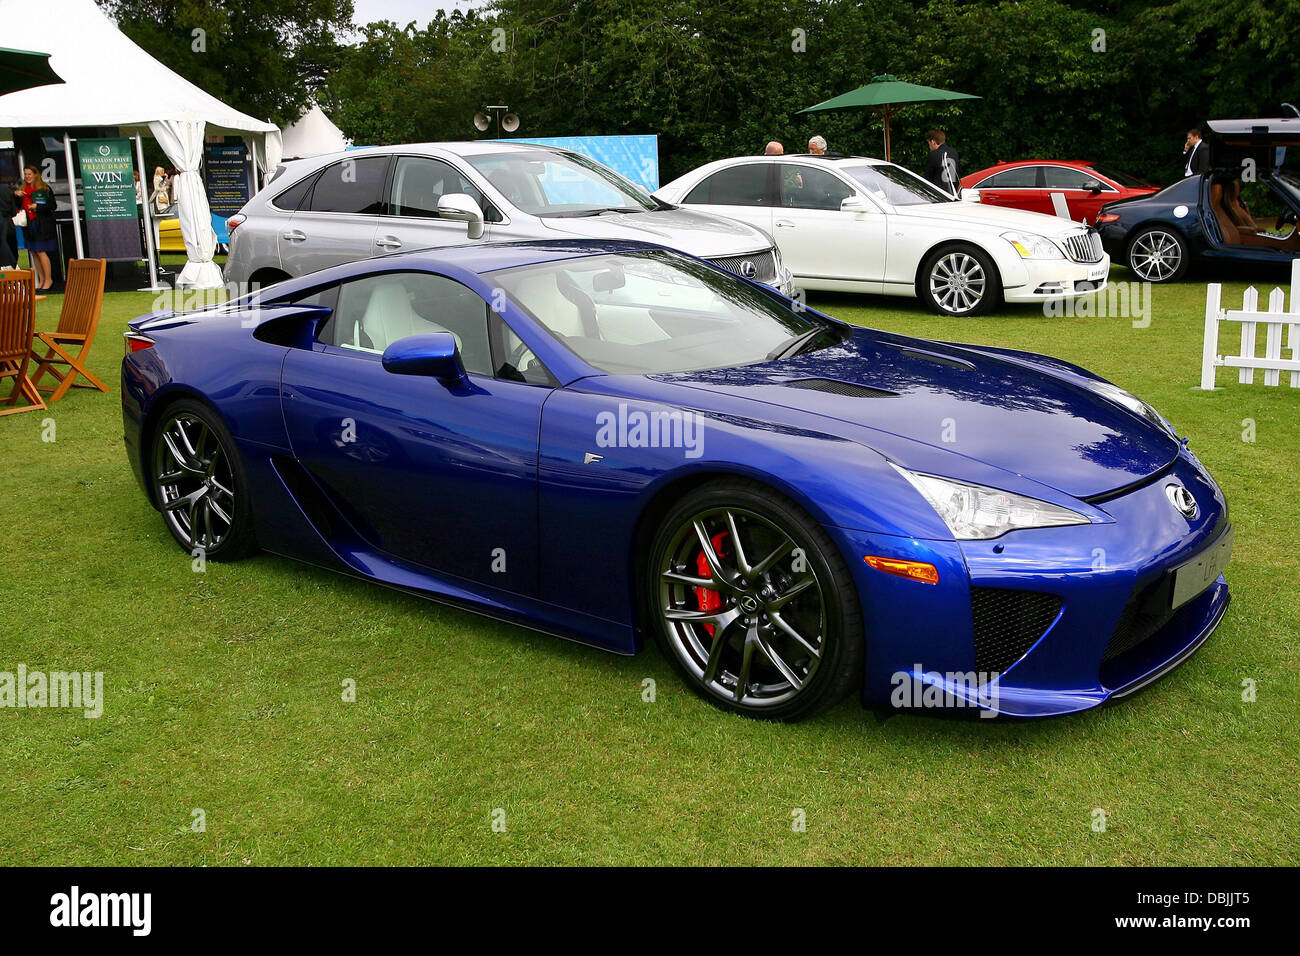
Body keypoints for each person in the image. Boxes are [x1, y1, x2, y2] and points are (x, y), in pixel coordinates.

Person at [14, 165, 56, 290]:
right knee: (33, 252)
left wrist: (37, 207)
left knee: (41, 251)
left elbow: (53, 205)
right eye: (25, 174)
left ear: (36, 174)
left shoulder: (44, 188)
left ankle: (48, 280)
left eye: (29, 174)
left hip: (41, 224)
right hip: (28, 225)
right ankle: (42, 280)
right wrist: (16, 195)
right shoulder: (22, 188)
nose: (27, 177)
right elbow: (16, 206)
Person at [924, 129, 960, 197]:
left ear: (933, 142)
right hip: (953, 193)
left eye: (929, 144)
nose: (929, 146)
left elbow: (928, 177)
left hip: (939, 194)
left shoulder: (934, 154)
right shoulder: (954, 152)